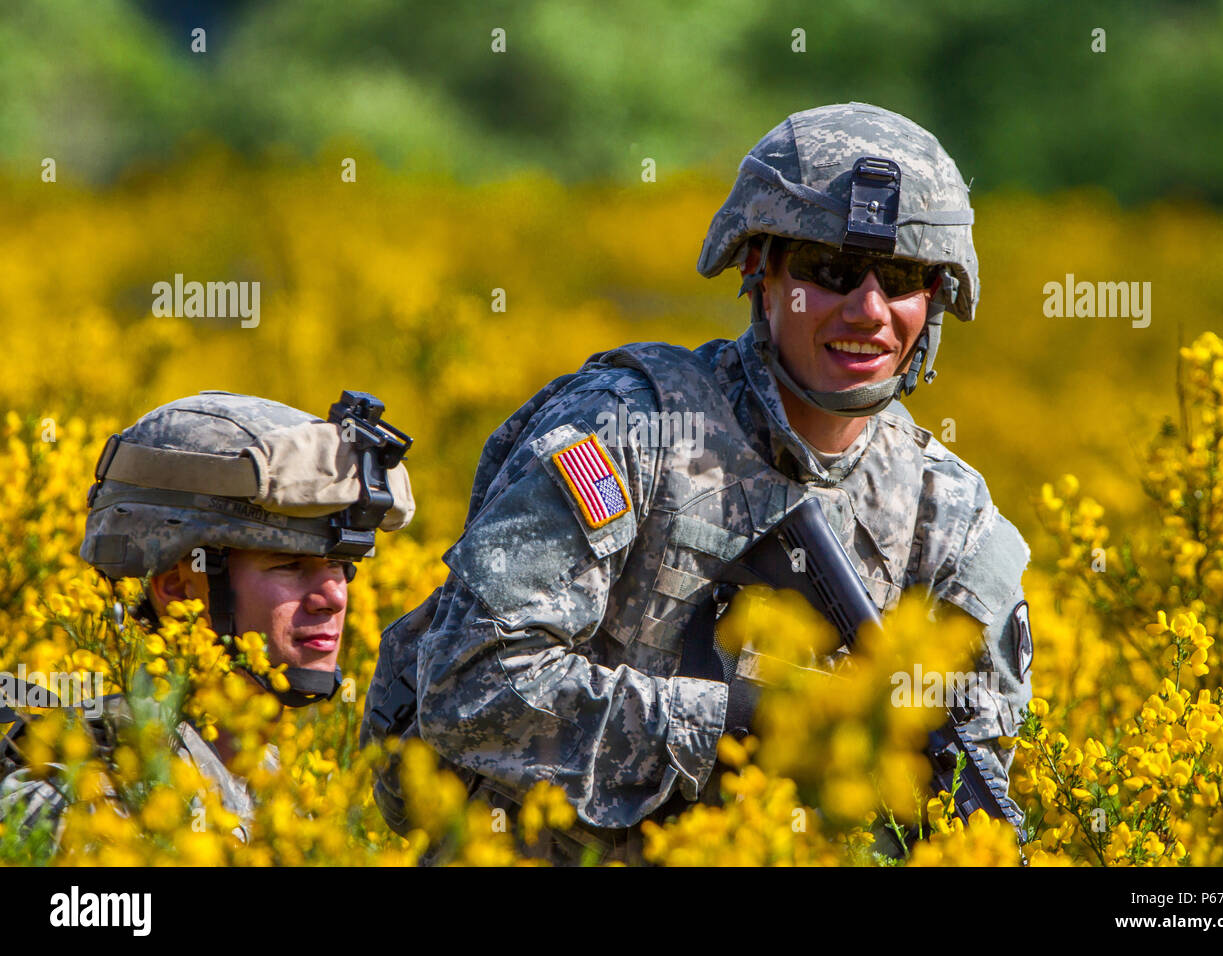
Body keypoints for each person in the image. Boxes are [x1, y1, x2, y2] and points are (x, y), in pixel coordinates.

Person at [364, 102, 1035, 863]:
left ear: (936, 299)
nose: (869, 310)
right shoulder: (629, 431)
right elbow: (467, 684)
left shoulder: (951, 518)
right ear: (760, 268)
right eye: (830, 271)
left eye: (906, 279)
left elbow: (978, 762)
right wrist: (740, 720)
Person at [0, 389, 414, 850]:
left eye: (341, 566)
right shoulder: (88, 800)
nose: (334, 597)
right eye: (289, 565)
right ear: (179, 587)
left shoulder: (288, 791)